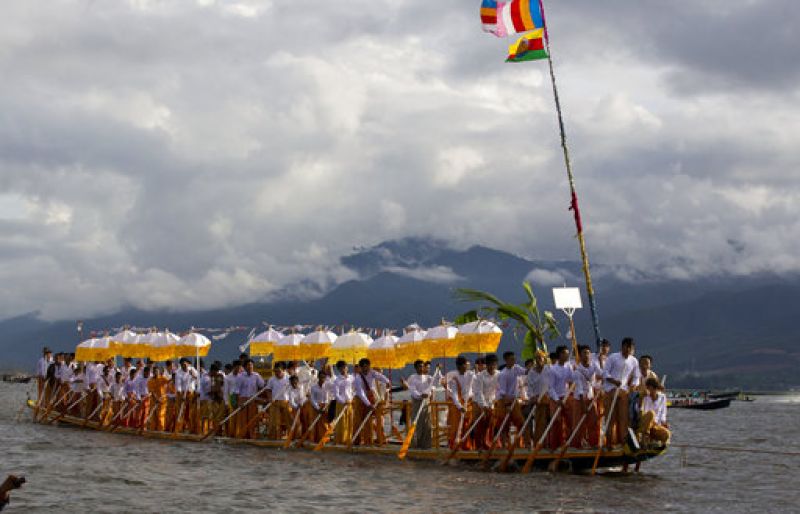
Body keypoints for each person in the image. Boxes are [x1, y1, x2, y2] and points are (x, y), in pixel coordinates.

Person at [602, 338, 641, 447]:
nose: (628, 350)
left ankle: (623, 442)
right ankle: (609, 442)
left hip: (623, 391)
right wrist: (613, 381)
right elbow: (604, 373)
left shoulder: (634, 361)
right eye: (626, 347)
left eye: (631, 348)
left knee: (624, 418)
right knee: (610, 417)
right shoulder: (613, 357)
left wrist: (633, 385)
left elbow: (636, 377)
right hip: (610, 389)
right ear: (622, 347)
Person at [353, 358, 391, 446]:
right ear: (361, 368)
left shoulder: (372, 372)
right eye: (364, 367)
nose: (366, 369)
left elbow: (380, 376)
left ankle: (368, 441)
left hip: (370, 397)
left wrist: (387, 381)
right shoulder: (358, 378)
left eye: (367, 367)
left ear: (369, 367)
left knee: (368, 421)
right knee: (358, 421)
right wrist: (368, 404)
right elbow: (361, 393)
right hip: (361, 400)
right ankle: (357, 441)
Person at [572, 345, 602, 447]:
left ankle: (594, 443)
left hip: (591, 398)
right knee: (578, 423)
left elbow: (602, 374)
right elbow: (579, 388)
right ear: (580, 356)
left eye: (588, 353)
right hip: (579, 399)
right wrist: (583, 405)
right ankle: (577, 444)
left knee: (593, 421)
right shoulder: (577, 371)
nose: (587, 355)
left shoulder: (594, 365)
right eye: (584, 353)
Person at [496, 351, 526, 445]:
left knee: (520, 421)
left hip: (514, 399)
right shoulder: (503, 374)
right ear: (506, 360)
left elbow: (526, 372)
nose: (513, 361)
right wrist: (507, 405)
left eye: (514, 359)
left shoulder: (516, 368)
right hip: (504, 400)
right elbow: (502, 392)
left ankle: (520, 443)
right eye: (511, 359)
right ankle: (504, 443)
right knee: (505, 423)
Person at [547, 346, 574, 449]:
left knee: (570, 421)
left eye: (567, 353)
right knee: (556, 422)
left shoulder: (568, 367)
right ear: (560, 355)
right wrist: (557, 400)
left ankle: (569, 444)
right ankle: (555, 445)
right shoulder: (552, 369)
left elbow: (571, 380)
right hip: (555, 399)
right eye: (565, 353)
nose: (567, 355)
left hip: (566, 397)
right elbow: (550, 387)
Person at [404, 359, 434, 449]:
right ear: (416, 368)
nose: (421, 368)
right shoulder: (412, 377)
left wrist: (428, 394)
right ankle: (414, 445)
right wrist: (421, 395)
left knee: (427, 425)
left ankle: (426, 446)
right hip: (417, 403)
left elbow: (431, 388)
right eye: (419, 367)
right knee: (417, 424)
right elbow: (413, 391)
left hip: (426, 403)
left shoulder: (428, 377)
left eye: (422, 366)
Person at [472, 354, 499, 450]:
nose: (492, 367)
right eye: (489, 365)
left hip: (492, 403)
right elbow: (479, 392)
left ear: (496, 365)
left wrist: (491, 404)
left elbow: (498, 391)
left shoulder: (499, 375)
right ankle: (479, 446)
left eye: (494, 365)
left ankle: (490, 445)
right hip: (479, 402)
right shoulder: (479, 376)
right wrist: (484, 406)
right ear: (486, 365)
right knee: (480, 424)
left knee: (491, 424)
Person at [525, 351, 551, 445]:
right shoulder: (531, 372)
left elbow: (551, 385)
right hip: (536, 401)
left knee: (549, 422)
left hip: (548, 399)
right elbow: (529, 387)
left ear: (544, 359)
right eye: (537, 358)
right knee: (539, 423)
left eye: (540, 358)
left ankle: (548, 443)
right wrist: (533, 397)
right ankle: (538, 443)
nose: (538, 360)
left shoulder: (548, 370)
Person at [236, 359, 266, 439]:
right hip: (243, 399)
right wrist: (239, 401)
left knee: (252, 418)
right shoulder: (240, 376)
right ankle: (243, 435)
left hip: (252, 399)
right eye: (248, 365)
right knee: (243, 419)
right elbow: (237, 390)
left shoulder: (256, 376)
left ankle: (252, 436)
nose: (250, 367)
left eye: (251, 365)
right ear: (245, 367)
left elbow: (262, 386)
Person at [638, 377, 670, 444]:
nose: (648, 390)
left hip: (655, 425)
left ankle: (653, 440)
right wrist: (641, 398)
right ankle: (645, 438)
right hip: (644, 424)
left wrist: (663, 422)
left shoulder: (662, 397)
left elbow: (663, 412)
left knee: (667, 434)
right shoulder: (645, 396)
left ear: (655, 388)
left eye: (649, 388)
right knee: (651, 414)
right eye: (647, 388)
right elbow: (640, 410)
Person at [266, 362, 291, 440]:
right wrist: (270, 398)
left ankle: (290, 437)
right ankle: (274, 438)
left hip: (286, 402)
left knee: (288, 421)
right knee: (274, 422)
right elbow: (268, 390)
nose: (277, 373)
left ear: (284, 370)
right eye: (275, 371)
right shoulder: (271, 379)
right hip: (275, 402)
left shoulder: (289, 378)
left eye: (279, 371)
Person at [333, 361, 355, 445]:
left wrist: (351, 398)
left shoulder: (351, 378)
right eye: (341, 368)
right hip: (341, 403)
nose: (343, 369)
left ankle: (349, 439)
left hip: (349, 403)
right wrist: (343, 401)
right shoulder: (337, 380)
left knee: (350, 421)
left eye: (344, 367)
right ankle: (340, 440)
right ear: (338, 369)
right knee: (341, 422)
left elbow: (354, 389)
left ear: (347, 367)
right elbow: (336, 394)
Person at [308, 371, 333, 443]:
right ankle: (315, 440)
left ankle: (325, 439)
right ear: (318, 377)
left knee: (324, 424)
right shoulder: (313, 387)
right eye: (321, 377)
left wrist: (327, 404)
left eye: (323, 377)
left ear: (325, 378)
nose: (322, 379)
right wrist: (318, 408)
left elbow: (333, 392)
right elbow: (312, 399)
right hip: (316, 407)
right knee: (315, 424)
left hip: (325, 406)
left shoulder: (328, 385)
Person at [148, 367, 170, 431]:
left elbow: (169, 382)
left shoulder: (162, 378)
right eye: (154, 371)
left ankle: (161, 429)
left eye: (157, 371)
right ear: (153, 372)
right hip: (153, 400)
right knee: (153, 416)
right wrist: (156, 398)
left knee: (160, 415)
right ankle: (153, 429)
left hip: (162, 401)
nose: (156, 373)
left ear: (159, 372)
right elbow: (151, 391)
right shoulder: (150, 381)